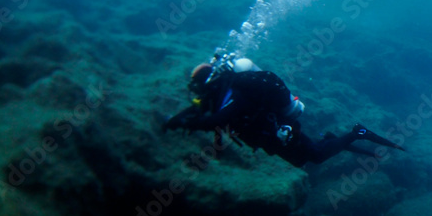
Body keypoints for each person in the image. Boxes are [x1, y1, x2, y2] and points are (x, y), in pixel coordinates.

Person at [163, 56, 403, 168]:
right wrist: (175, 120)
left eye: (197, 87)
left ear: (208, 82)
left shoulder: (236, 93)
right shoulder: (216, 96)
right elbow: (197, 110)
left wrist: (184, 124)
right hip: (269, 137)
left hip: (279, 131)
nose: (196, 94)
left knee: (317, 156)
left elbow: (218, 120)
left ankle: (356, 133)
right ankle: (332, 139)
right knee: (301, 160)